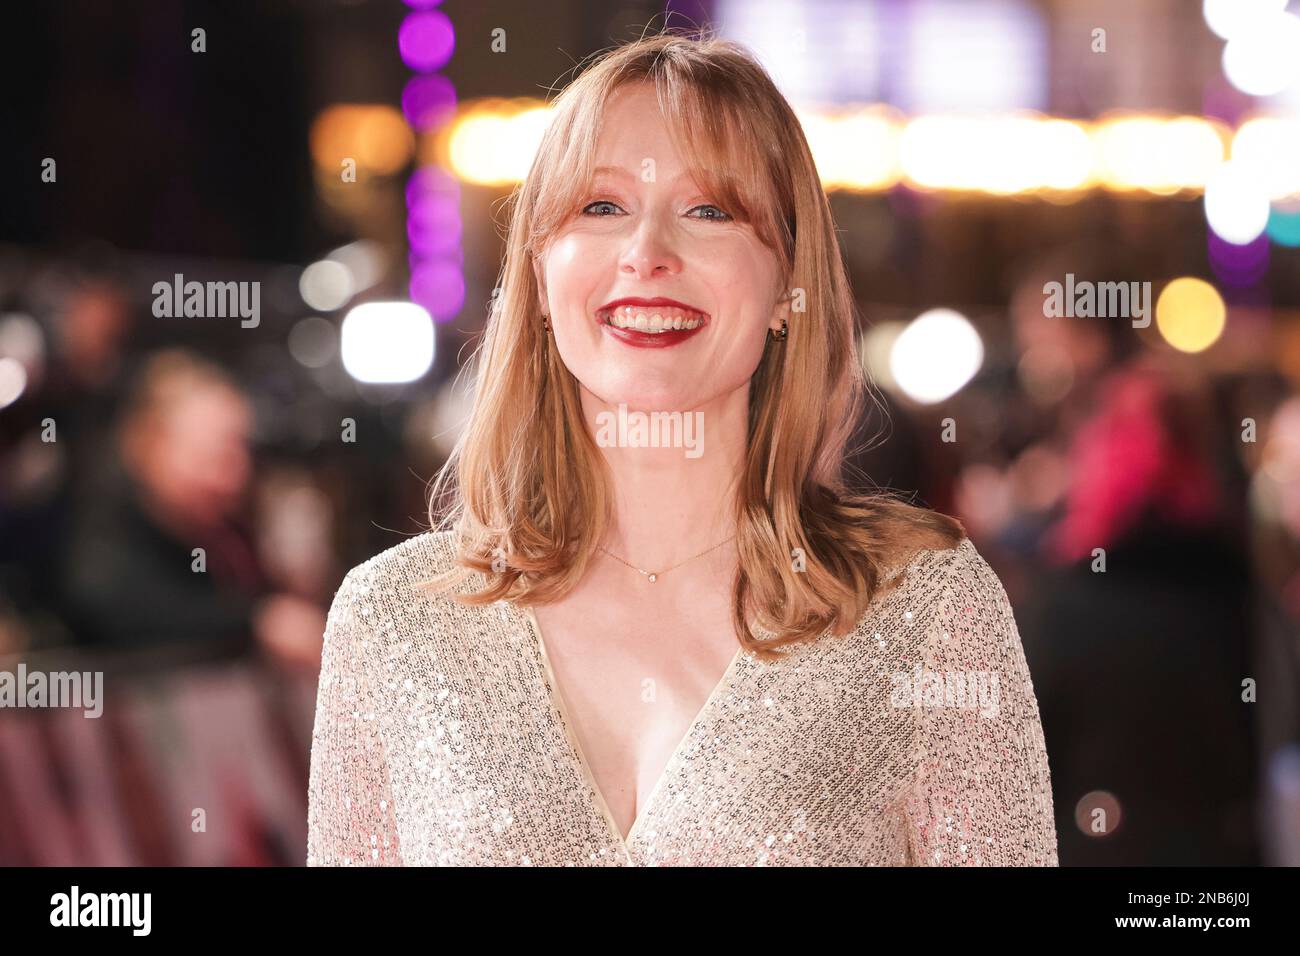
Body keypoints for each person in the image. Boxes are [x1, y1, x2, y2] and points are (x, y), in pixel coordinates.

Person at [307, 29, 1058, 866]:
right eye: (601, 207)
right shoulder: (393, 622)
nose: (646, 255)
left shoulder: (923, 612)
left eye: (710, 210)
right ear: (542, 279)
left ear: (787, 284)